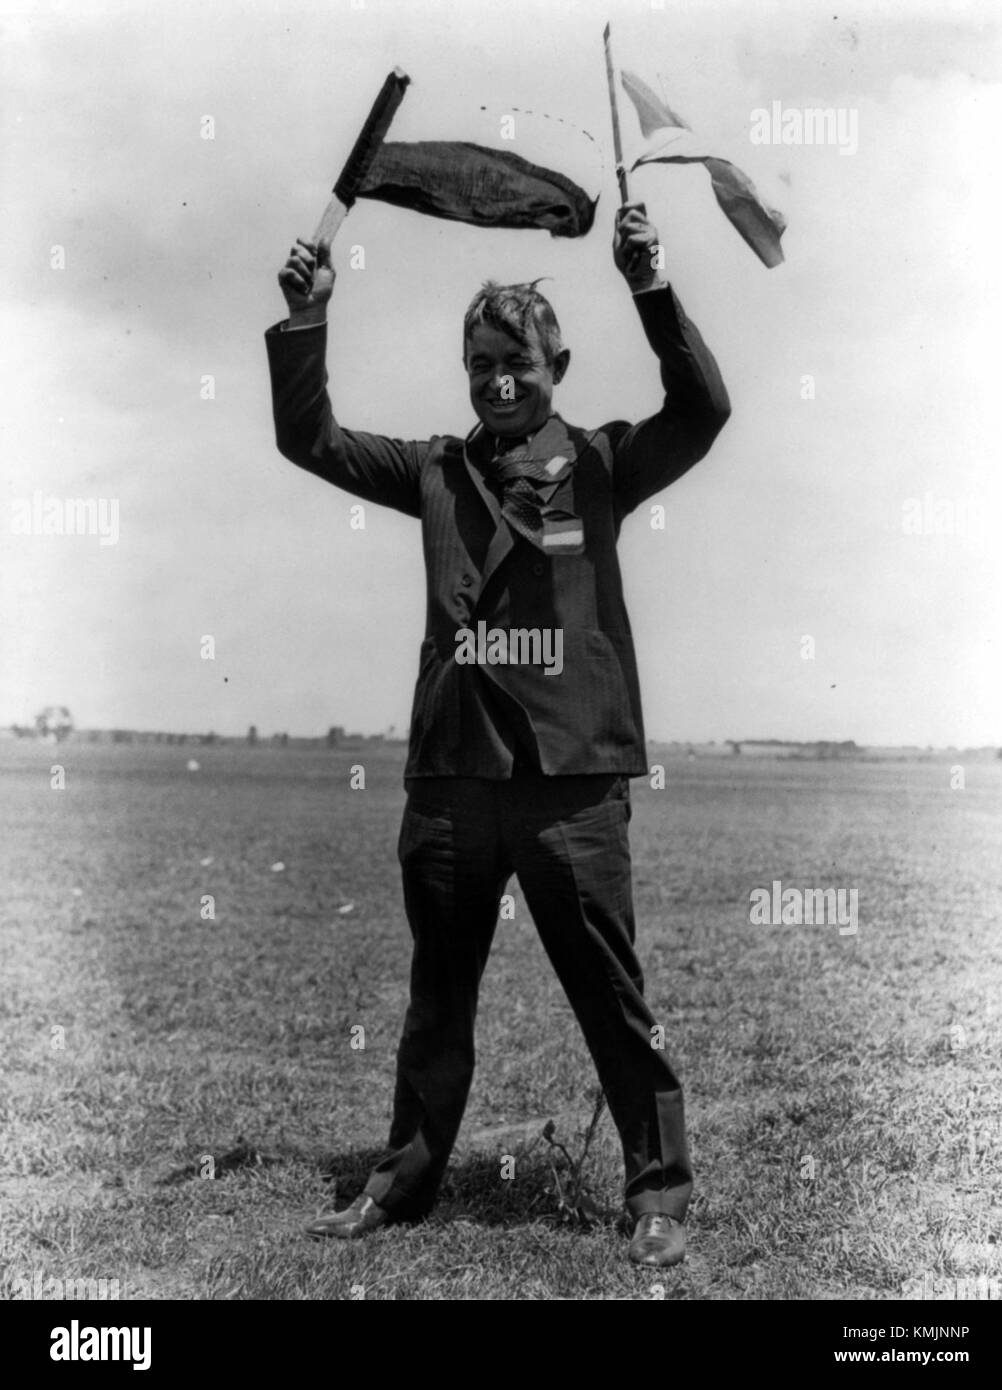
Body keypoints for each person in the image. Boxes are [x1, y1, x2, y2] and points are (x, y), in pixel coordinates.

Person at [267, 202, 730, 1266]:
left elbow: (702, 409)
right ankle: (400, 1183)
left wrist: (650, 288)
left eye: (513, 360)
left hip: (569, 783)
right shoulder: (434, 470)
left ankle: (657, 1192)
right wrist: (307, 317)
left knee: (612, 997)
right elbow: (312, 438)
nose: (495, 379)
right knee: (438, 994)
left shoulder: (606, 464)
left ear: (555, 363)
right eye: (477, 362)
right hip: (452, 782)